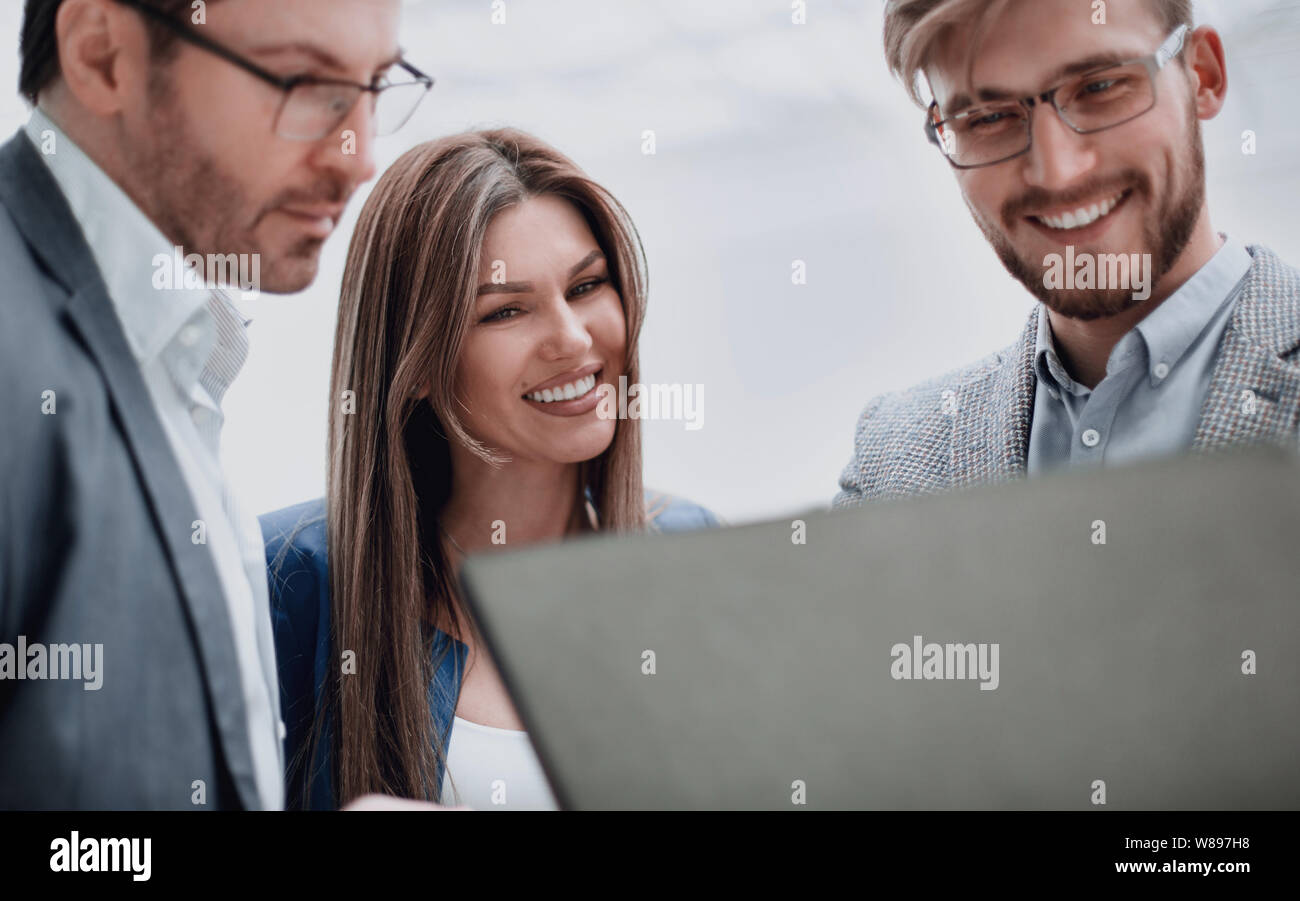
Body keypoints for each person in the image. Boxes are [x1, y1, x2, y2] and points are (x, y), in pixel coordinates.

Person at [0, 0, 425, 808]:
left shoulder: (175, 351)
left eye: (375, 86)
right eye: (306, 85)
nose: (361, 155)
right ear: (102, 57)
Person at [261, 129, 720, 810]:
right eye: (505, 310)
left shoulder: (694, 553)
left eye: (587, 285)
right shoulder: (287, 582)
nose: (571, 338)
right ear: (414, 365)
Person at [835, 0, 1300, 506]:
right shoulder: (891, 464)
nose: (1058, 173)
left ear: (1201, 75)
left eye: (1099, 87)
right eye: (987, 117)